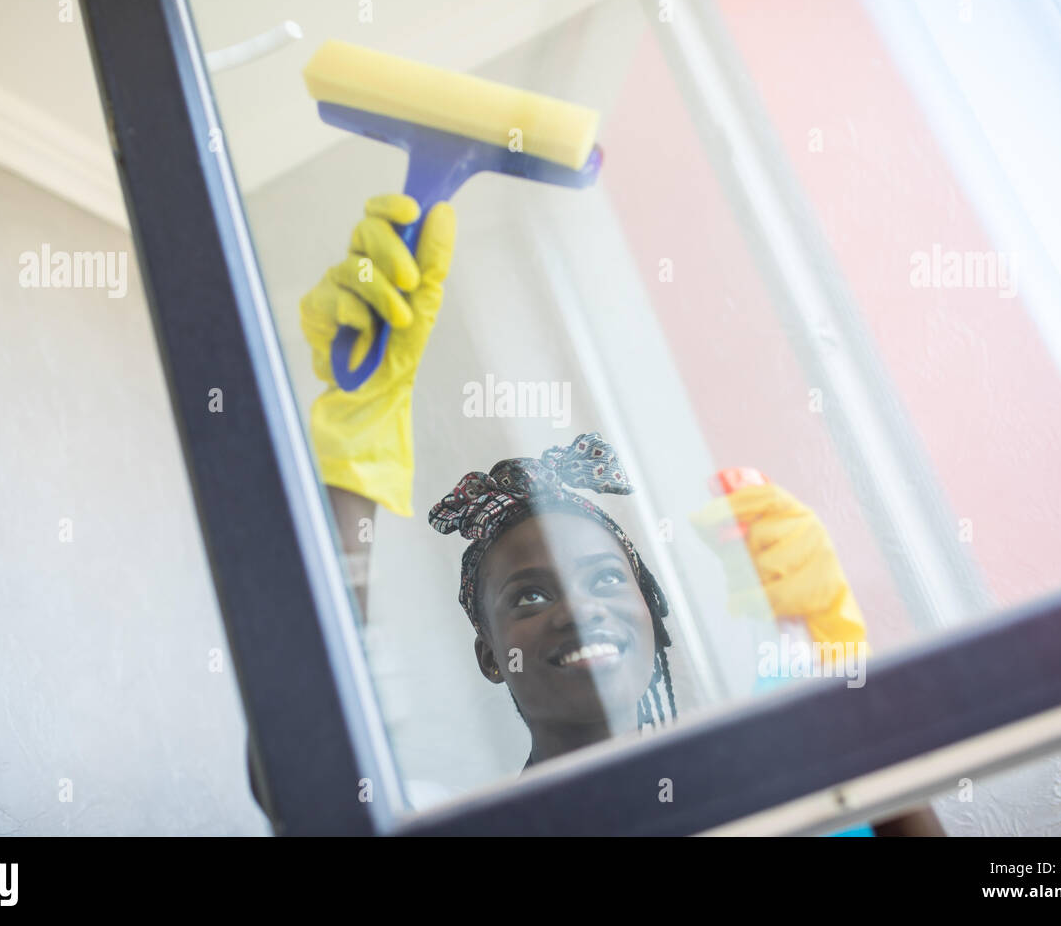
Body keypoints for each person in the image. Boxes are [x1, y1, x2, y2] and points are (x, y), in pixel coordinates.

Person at [275, 192, 943, 835]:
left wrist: (844, 681)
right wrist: (350, 468)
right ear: (490, 654)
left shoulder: (785, 778)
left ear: (651, 611)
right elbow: (308, 780)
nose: (579, 609)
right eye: (530, 595)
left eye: (604, 580)